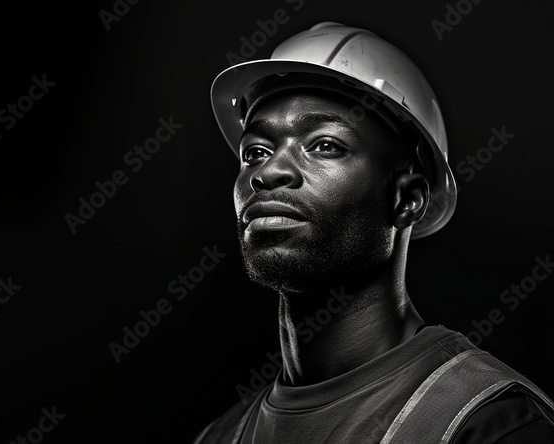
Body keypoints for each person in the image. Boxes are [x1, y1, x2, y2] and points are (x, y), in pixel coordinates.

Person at [194, 22, 554, 443]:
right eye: (255, 152)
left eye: (325, 145)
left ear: (407, 200)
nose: (268, 171)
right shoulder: (221, 436)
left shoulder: (492, 423)